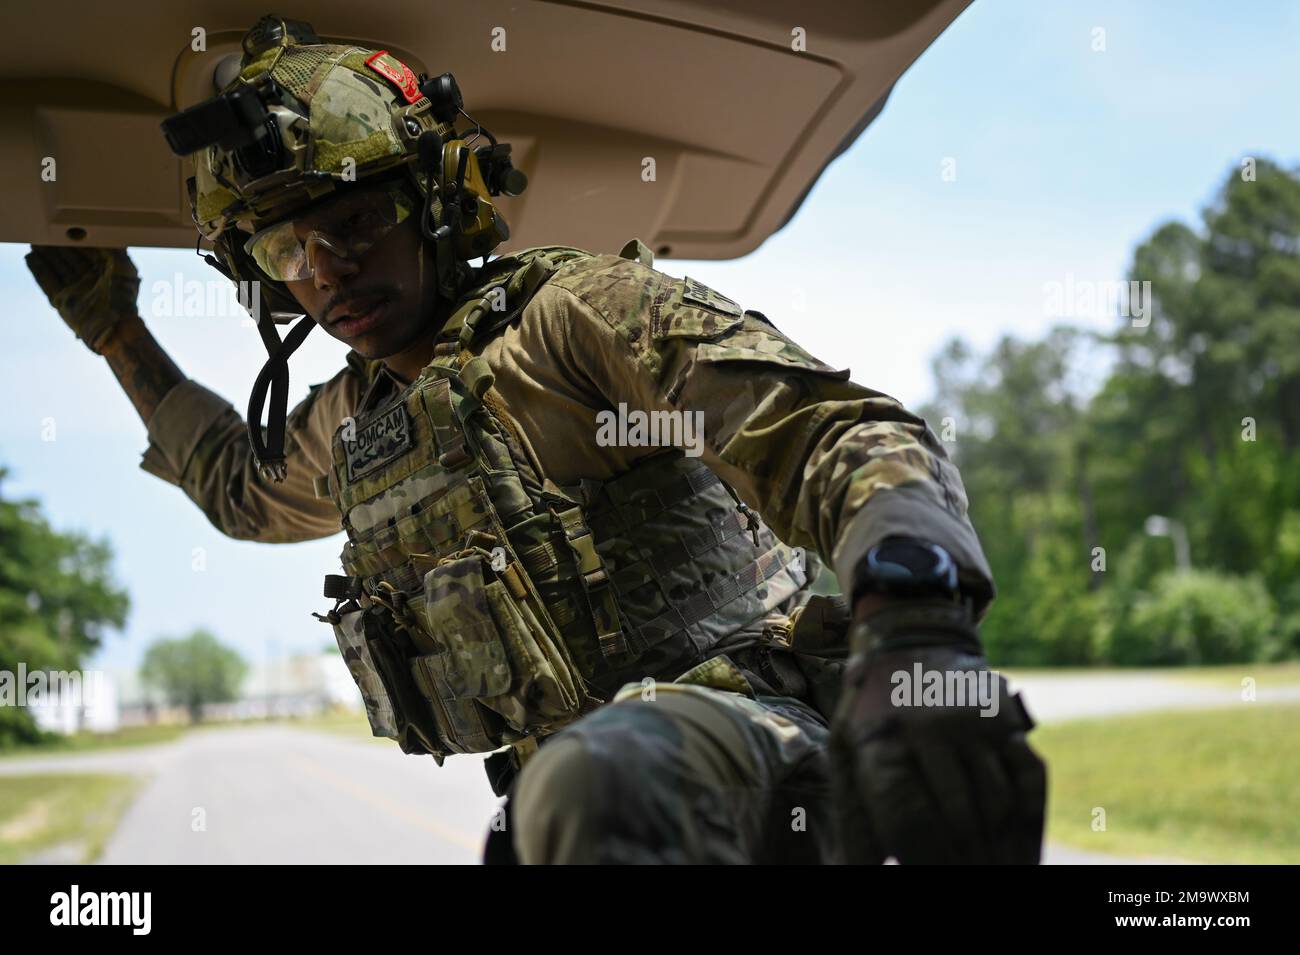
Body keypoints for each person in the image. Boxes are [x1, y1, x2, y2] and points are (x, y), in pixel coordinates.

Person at [26, 15, 1044, 864]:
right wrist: (117, 333)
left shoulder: (574, 319)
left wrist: (917, 633)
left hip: (759, 745)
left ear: (429, 200)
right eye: (289, 246)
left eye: (359, 218)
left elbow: (835, 434)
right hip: (574, 808)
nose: (328, 268)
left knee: (598, 779)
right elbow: (240, 492)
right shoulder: (355, 419)